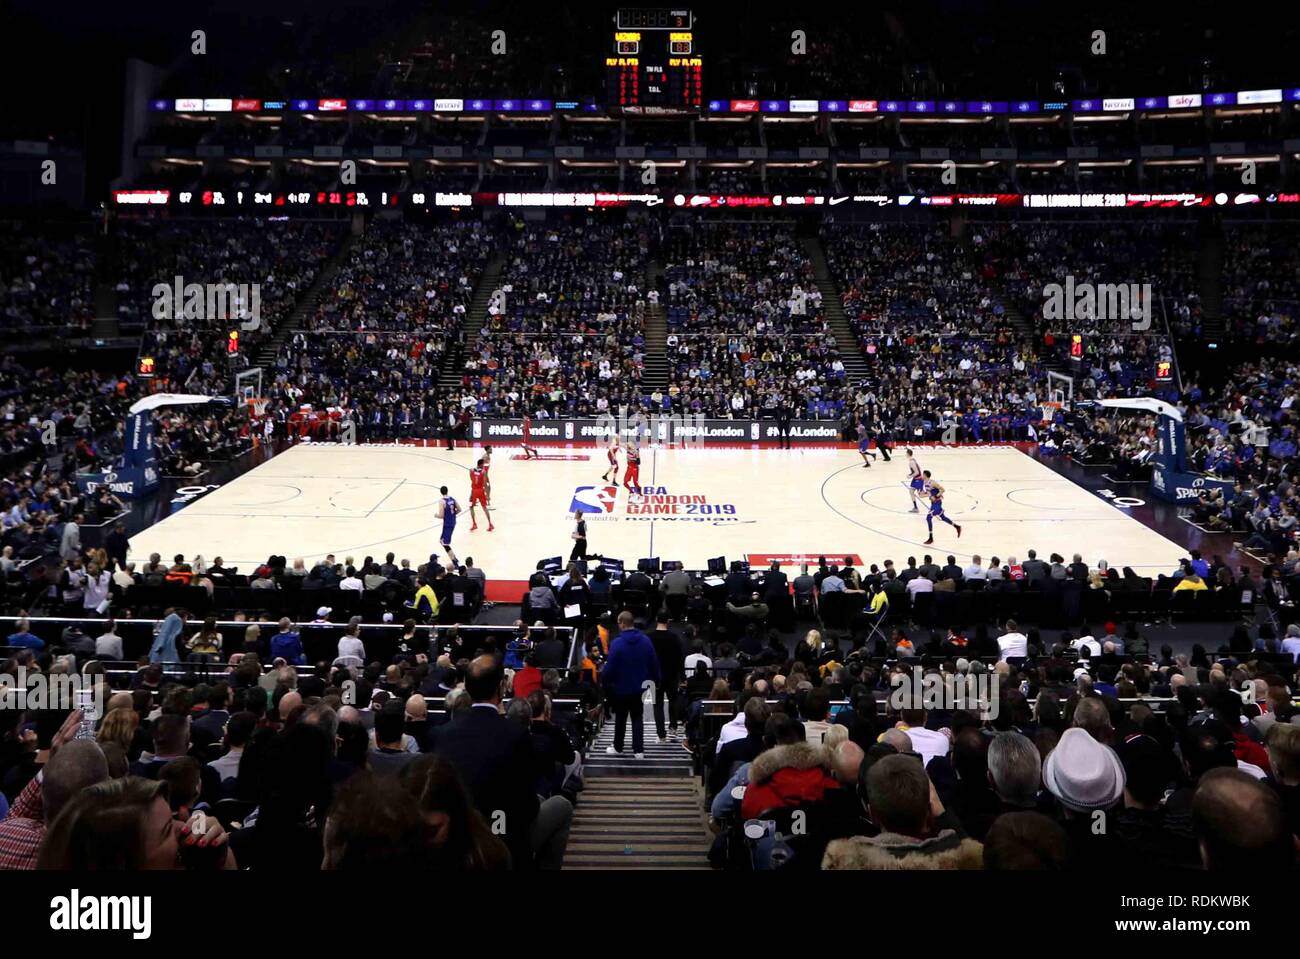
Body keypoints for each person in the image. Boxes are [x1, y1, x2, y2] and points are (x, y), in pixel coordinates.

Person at [435, 655, 571, 869]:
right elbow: (526, 803)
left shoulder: (441, 734)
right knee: (561, 806)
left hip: (459, 836)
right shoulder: (515, 734)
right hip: (503, 838)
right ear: (501, 687)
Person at [602, 611, 661, 759]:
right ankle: (638, 750)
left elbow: (610, 667)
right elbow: (654, 663)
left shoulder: (617, 643)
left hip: (621, 688)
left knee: (620, 718)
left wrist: (605, 680)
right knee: (637, 717)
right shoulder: (646, 641)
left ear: (622, 623)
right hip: (639, 687)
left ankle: (618, 747)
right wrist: (657, 680)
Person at [921, 470, 962, 545]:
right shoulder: (924, 483)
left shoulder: (932, 482)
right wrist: (924, 494)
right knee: (943, 517)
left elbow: (942, 489)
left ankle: (931, 538)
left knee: (928, 517)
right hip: (933, 503)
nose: (922, 475)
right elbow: (929, 493)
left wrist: (936, 496)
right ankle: (957, 526)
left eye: (923, 474)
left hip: (937, 503)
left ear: (925, 475)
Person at [436, 485, 463, 567]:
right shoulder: (452, 499)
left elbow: (441, 515)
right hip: (452, 521)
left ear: (441, 492)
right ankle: (454, 558)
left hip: (448, 524)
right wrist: (453, 515)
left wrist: (436, 515)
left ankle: (455, 562)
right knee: (441, 540)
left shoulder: (442, 501)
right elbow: (459, 509)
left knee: (445, 543)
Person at [468, 457, 494, 532]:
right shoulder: (483, 472)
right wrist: (487, 495)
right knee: (484, 508)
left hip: (473, 491)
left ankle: (474, 524)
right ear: (481, 464)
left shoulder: (471, 470)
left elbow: (472, 480)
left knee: (471, 507)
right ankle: (490, 524)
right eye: (483, 464)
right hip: (480, 491)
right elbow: (485, 484)